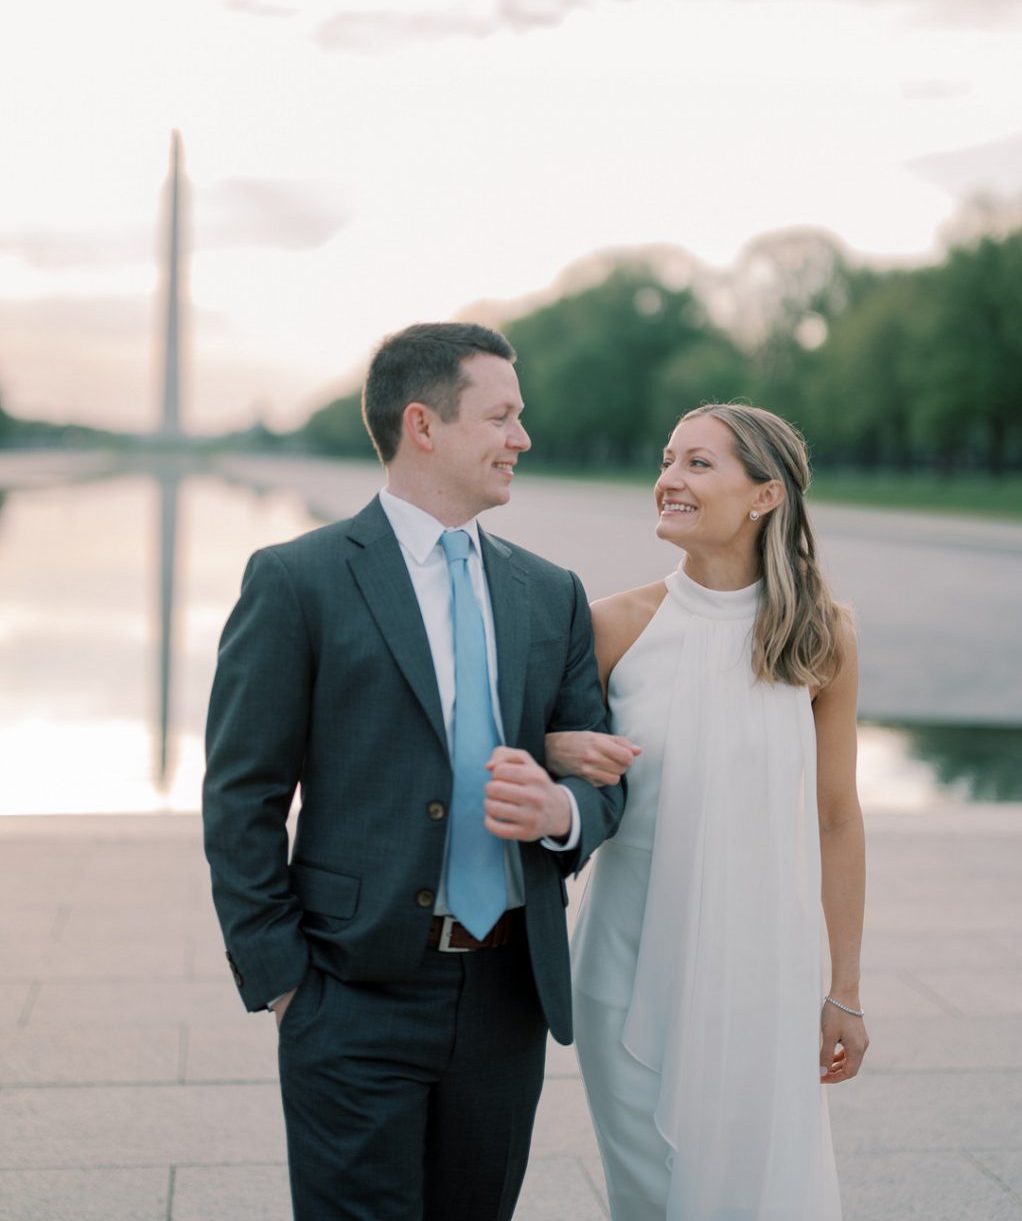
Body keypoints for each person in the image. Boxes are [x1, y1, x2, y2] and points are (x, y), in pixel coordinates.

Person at [202, 321, 624, 1221]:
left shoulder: (552, 593)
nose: (523, 438)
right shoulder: (297, 579)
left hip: (509, 997)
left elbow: (604, 775)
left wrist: (561, 810)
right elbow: (242, 796)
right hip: (349, 996)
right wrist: (285, 983)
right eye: (502, 416)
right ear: (423, 425)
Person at [547, 403, 867, 1221]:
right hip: (627, 962)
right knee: (654, 1194)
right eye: (666, 460)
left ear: (764, 495)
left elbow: (837, 818)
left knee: (760, 1194)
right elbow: (547, 765)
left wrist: (845, 989)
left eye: (698, 463)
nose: (668, 480)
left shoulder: (821, 635)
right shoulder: (612, 625)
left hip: (766, 970)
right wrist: (560, 756)